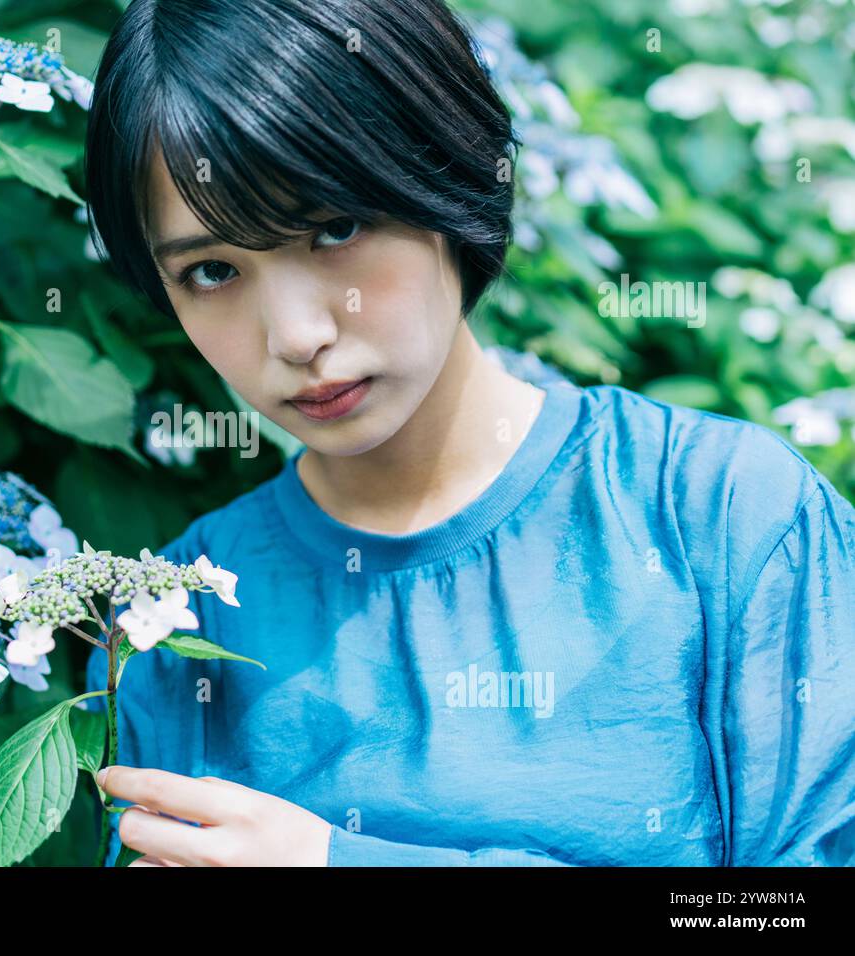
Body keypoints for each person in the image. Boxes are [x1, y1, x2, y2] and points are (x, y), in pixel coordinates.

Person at [80, 0, 855, 866]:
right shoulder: (169, 620)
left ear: (446, 174)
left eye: (336, 227)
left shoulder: (722, 513)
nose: (295, 335)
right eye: (213, 270)